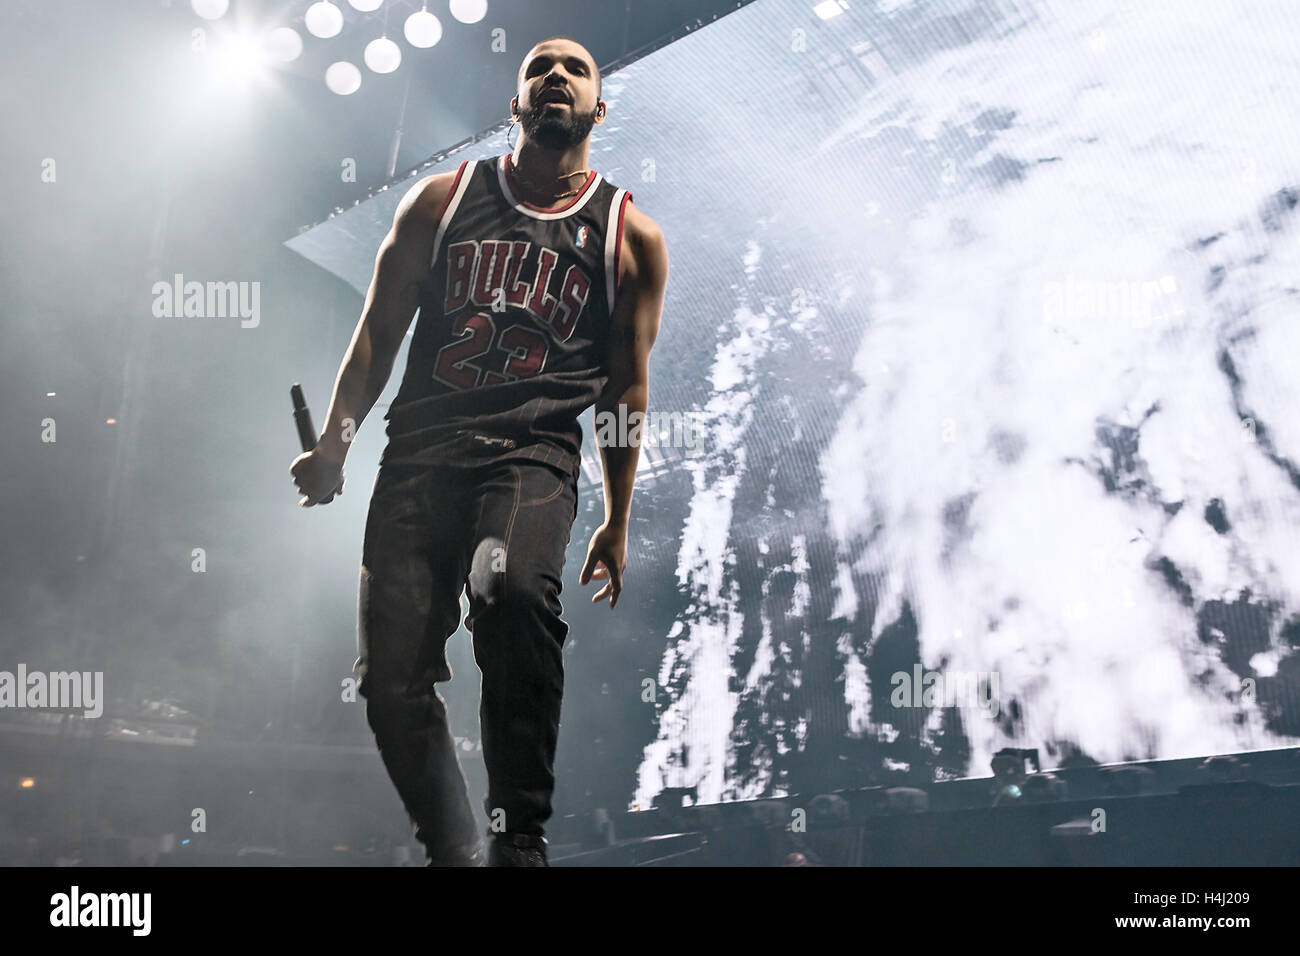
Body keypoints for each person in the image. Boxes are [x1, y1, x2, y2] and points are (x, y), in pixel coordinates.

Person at [290, 35, 669, 867]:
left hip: (528, 457)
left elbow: (627, 391)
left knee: (512, 596)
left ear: (599, 108)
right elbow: (377, 336)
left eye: (574, 69)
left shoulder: (629, 236)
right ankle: (453, 848)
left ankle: (518, 836)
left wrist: (617, 516)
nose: (556, 77)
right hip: (419, 458)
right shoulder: (441, 200)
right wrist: (333, 444)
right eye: (540, 68)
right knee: (389, 679)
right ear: (517, 104)